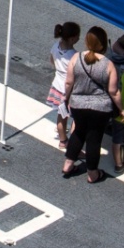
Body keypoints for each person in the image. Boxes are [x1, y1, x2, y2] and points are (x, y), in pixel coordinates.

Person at [64, 26, 120, 183]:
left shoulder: (76, 58)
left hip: (78, 104)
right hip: (100, 108)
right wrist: (122, 109)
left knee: (78, 133)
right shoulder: (108, 64)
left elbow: (69, 82)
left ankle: (68, 164)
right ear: (102, 45)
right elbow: (114, 91)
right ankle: (92, 173)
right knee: (94, 140)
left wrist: (66, 99)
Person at [46, 20, 80, 151]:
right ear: (72, 39)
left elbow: (51, 60)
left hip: (57, 86)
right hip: (68, 91)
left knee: (61, 116)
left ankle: (62, 138)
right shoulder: (74, 55)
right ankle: (68, 140)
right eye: (78, 36)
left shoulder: (56, 46)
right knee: (70, 117)